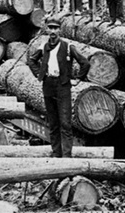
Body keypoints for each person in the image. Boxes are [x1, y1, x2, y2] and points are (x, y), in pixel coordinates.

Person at [28, 16, 90, 158]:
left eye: (55, 28)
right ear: (46, 30)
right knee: (53, 122)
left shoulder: (68, 47)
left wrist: (78, 79)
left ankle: (66, 156)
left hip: (63, 86)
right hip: (48, 86)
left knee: (65, 123)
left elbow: (85, 63)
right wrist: (40, 74)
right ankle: (56, 153)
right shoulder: (43, 46)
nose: (53, 31)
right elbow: (32, 61)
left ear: (60, 30)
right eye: (50, 28)